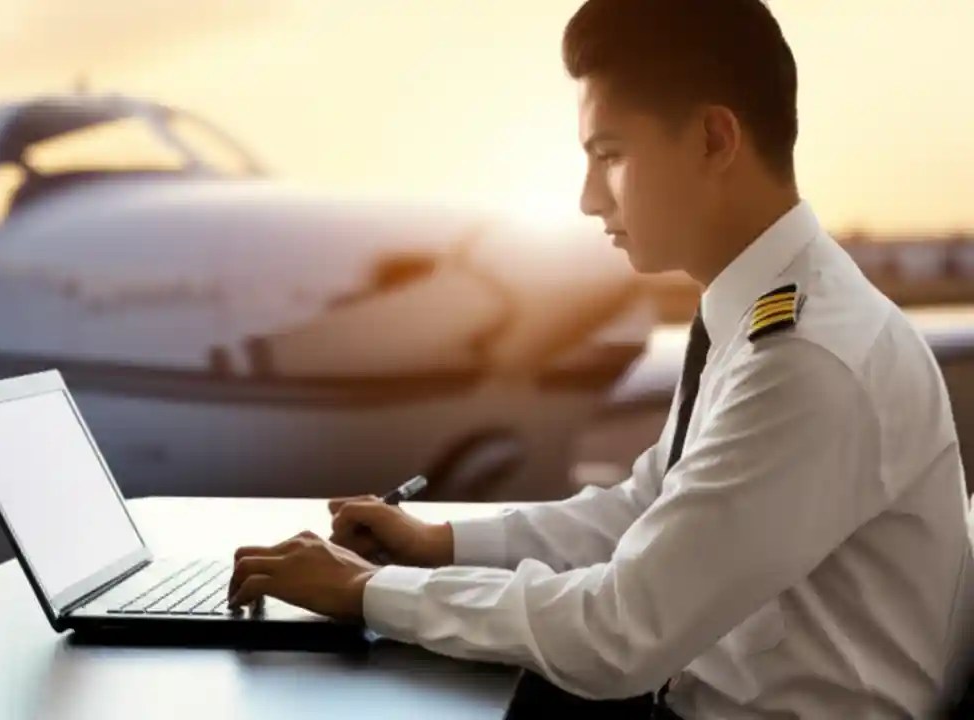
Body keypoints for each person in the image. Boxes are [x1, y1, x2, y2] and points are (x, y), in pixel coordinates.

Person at [227, 0, 974, 716]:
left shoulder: (806, 360)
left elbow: (620, 632)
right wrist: (440, 545)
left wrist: (367, 592)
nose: (588, 198)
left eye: (610, 156)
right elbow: (649, 508)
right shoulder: (762, 311)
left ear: (716, 139)